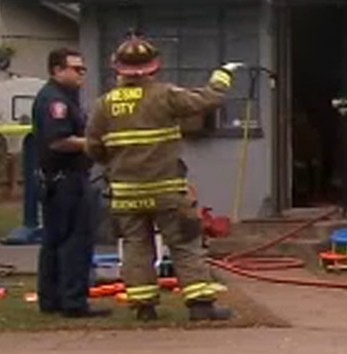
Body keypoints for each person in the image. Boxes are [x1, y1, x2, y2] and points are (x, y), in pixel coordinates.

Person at [84, 34, 242, 322]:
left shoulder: (103, 105)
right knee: (185, 243)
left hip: (126, 193)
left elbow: (93, 147)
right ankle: (200, 306)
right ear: (155, 66)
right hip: (167, 190)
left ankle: (144, 308)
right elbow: (209, 100)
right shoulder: (165, 95)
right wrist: (221, 77)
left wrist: (116, 164)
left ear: (117, 68)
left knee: (135, 246)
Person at [31, 47, 107, 318]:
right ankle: (73, 302)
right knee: (76, 239)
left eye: (83, 69)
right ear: (57, 70)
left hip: (58, 180)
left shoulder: (66, 97)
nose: (81, 74)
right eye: (76, 69)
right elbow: (59, 140)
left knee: (55, 240)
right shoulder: (55, 101)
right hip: (66, 181)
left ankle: (51, 299)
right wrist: (95, 144)